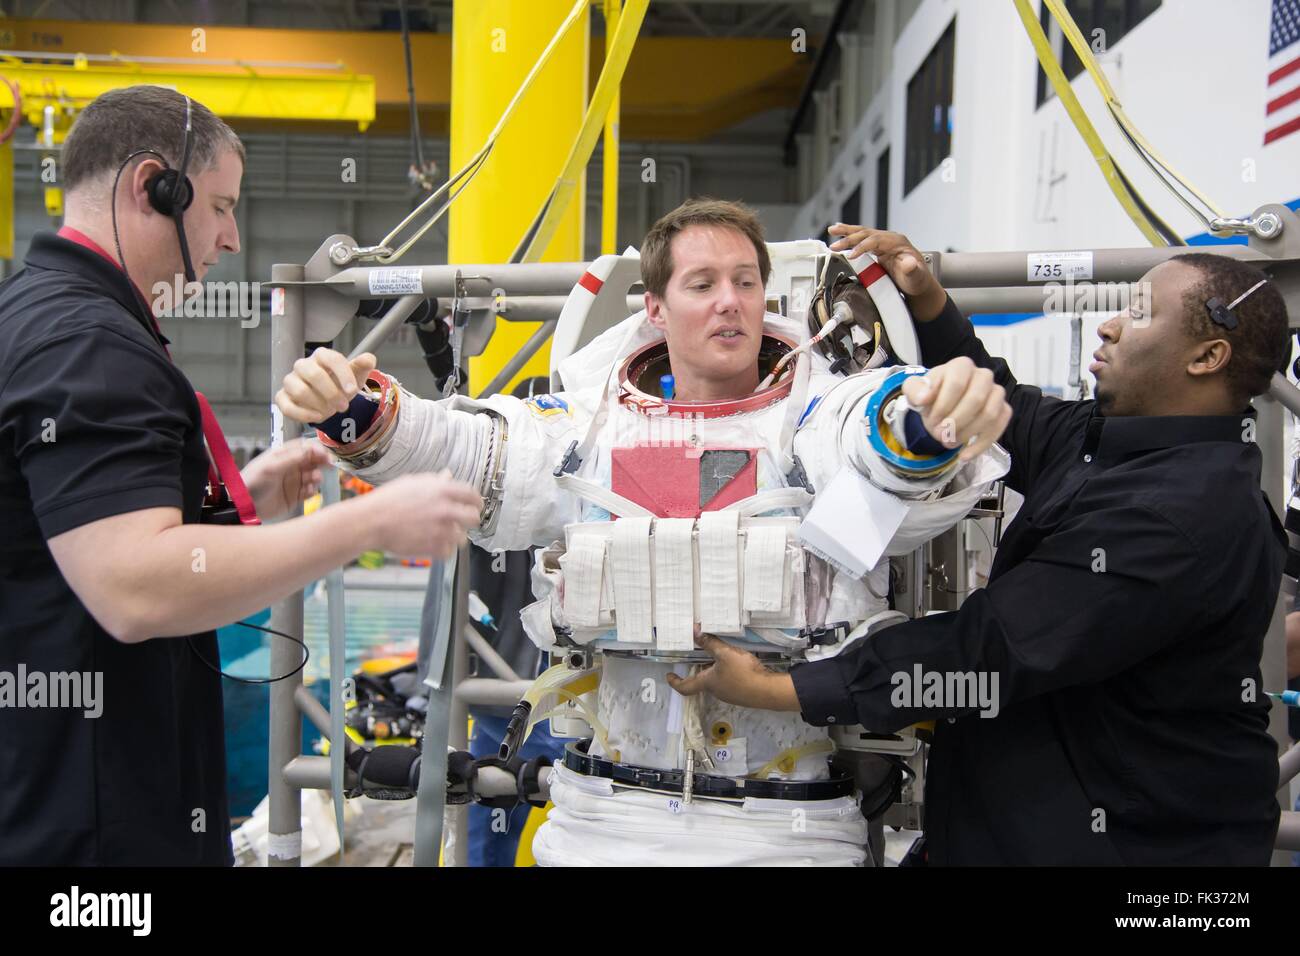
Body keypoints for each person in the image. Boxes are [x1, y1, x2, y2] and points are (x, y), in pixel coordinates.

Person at [276, 198, 1012, 866]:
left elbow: (877, 443)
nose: (731, 302)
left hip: (784, 834)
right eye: (702, 284)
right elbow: (464, 446)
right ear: (655, 308)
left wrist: (927, 421)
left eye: (746, 281)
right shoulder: (587, 429)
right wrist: (354, 411)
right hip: (600, 823)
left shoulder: (817, 415)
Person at [673, 223, 1290, 865]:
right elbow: (1005, 412)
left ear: (1206, 358)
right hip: (1018, 818)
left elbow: (987, 654)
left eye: (1138, 314)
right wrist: (925, 298)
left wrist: (782, 688)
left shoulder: (1180, 518)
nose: (1107, 326)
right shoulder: (1112, 438)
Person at [0, 85, 482, 866]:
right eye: (220, 206)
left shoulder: (38, 313)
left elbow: (61, 534)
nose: (230, 238)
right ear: (151, 185)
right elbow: (133, 589)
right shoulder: (90, 346)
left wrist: (236, 497)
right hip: (93, 836)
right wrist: (361, 524)